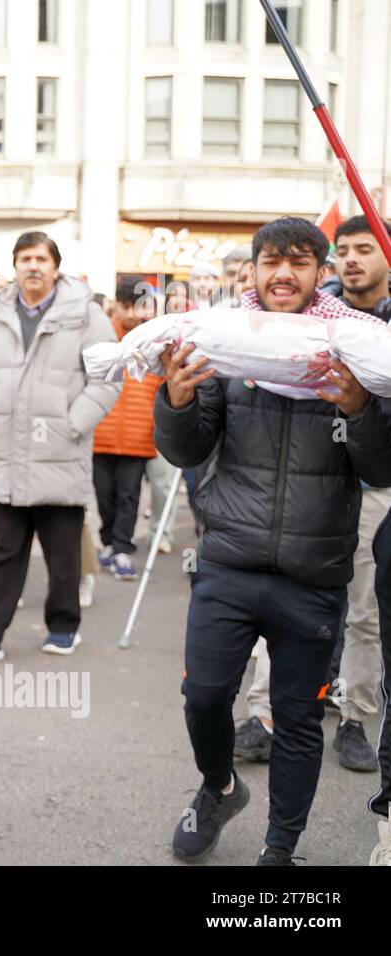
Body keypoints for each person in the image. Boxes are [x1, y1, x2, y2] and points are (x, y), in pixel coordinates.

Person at [156, 216, 391, 866]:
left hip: (312, 576)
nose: (282, 273)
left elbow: (381, 469)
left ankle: (279, 851)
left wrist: (358, 410)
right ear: (254, 272)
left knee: (294, 725)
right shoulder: (224, 341)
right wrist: (174, 401)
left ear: (322, 273)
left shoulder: (356, 348)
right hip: (228, 561)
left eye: (298, 261)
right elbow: (187, 446)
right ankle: (219, 787)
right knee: (203, 697)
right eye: (270, 262)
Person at [237, 214, 391, 775]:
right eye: (343, 251)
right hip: (305, 492)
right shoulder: (299, 316)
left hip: (374, 488)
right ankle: (265, 716)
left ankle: (354, 718)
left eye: (365, 249)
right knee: (274, 603)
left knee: (365, 614)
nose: (353, 260)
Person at [0, 232, 120, 664]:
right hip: (7, 453)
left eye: (41, 259)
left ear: (55, 266)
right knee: (2, 551)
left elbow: (108, 378)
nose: (33, 266)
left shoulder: (86, 315)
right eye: (25, 258)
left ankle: (64, 627)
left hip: (60, 452)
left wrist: (73, 423)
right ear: (14, 265)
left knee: (63, 550)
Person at [90, 283, 163, 582]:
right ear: (115, 305)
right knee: (104, 496)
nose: (133, 313)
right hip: (100, 433)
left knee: (129, 497)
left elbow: (162, 387)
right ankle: (108, 542)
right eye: (127, 306)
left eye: (139, 306)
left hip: (137, 435)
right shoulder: (99, 337)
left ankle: (121, 547)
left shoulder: (155, 341)